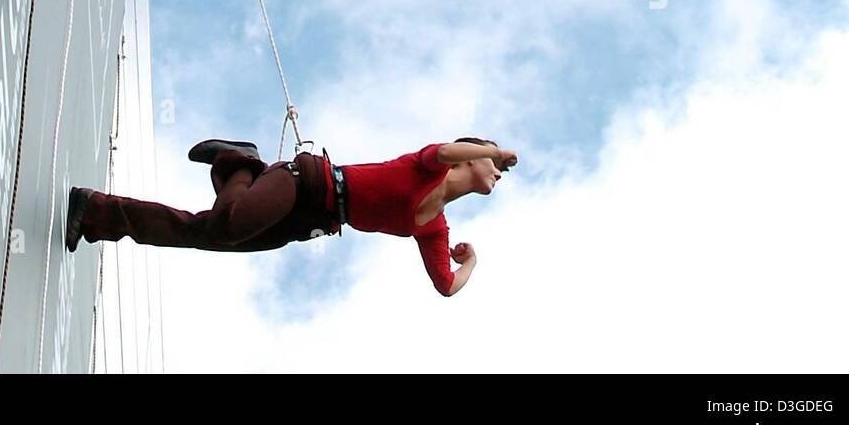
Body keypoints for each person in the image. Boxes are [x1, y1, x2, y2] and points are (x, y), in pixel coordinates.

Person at [66, 137, 516, 296]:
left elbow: (445, 285)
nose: (496, 170)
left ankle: (98, 217)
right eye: (490, 160)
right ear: (470, 160)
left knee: (206, 233)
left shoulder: (433, 228)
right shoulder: (428, 166)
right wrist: (494, 148)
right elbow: (443, 150)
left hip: (308, 223)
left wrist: (470, 262)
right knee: (227, 226)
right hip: (306, 181)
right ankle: (239, 163)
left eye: (495, 162)